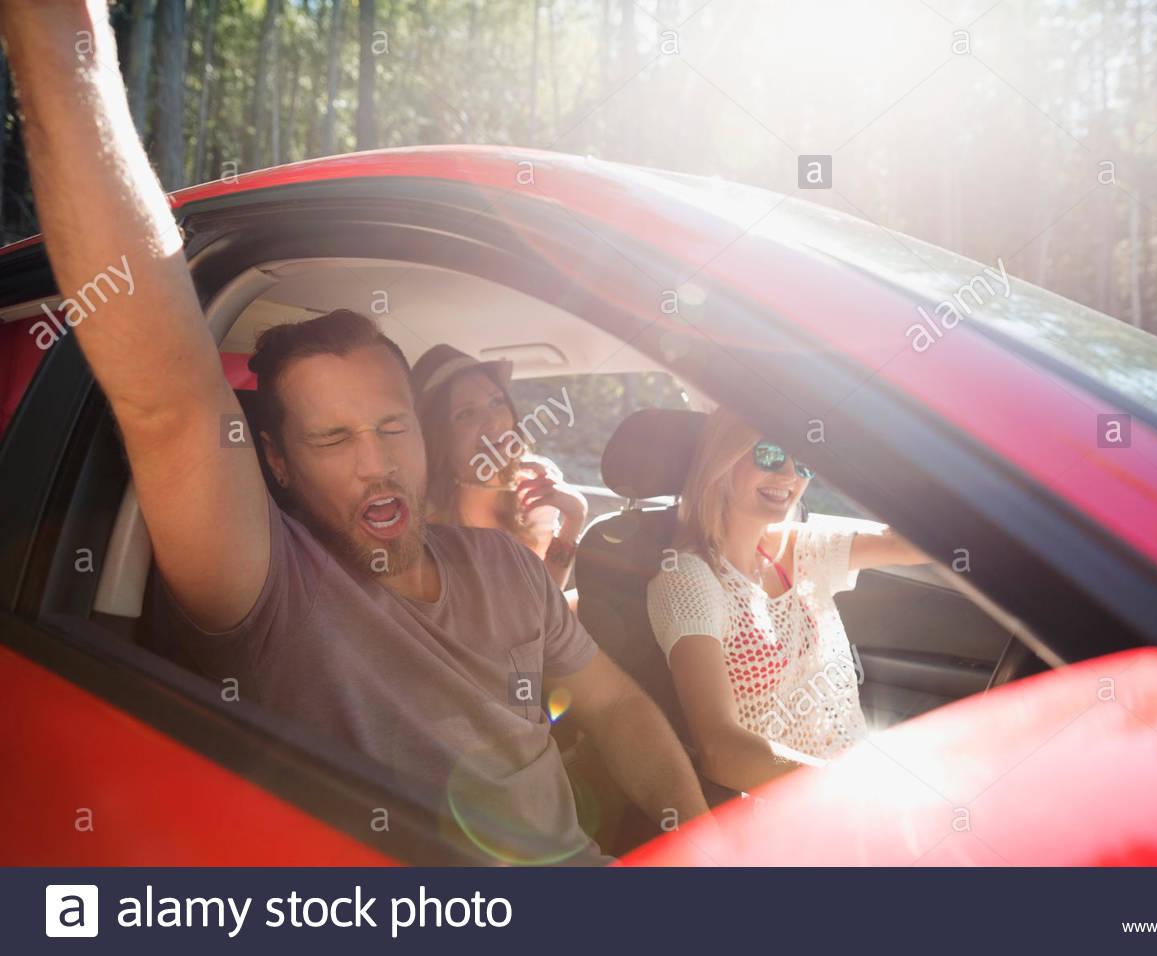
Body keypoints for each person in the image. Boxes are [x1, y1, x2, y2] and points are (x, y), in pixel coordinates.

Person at [0, 0, 712, 864]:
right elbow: (171, 406)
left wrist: (696, 848)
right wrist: (59, 35)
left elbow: (615, 708)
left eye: (392, 426)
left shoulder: (507, 570)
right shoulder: (270, 591)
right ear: (279, 462)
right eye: (333, 440)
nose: (377, 465)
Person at [646, 407, 931, 794]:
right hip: (794, 801)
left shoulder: (795, 548)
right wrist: (853, 793)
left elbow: (910, 545)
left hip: (852, 768)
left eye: (805, 463)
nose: (790, 475)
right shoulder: (688, 579)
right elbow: (720, 748)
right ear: (722, 460)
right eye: (770, 454)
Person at [411, 344, 586, 602]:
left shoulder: (533, 484)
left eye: (496, 401)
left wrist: (574, 517)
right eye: (466, 413)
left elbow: (545, 602)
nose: (493, 421)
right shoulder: (418, 510)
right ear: (437, 435)